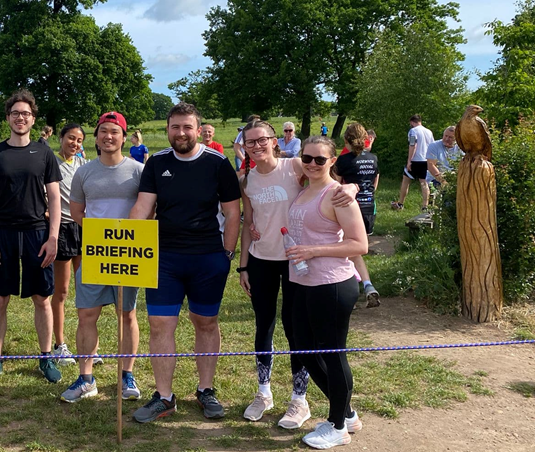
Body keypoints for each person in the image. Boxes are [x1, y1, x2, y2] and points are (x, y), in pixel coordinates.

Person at [237, 119, 358, 428]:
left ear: (274, 140)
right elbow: (247, 222)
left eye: (262, 139)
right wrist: (244, 265)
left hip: (296, 263)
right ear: (244, 147)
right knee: (264, 324)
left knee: (296, 332)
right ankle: (263, 392)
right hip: (262, 259)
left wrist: (352, 187)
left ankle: (299, 399)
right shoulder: (246, 179)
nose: (257, 146)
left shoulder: (295, 166)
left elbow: (331, 178)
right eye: (250, 142)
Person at [129, 102, 241, 423]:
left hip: (208, 258)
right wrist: (125, 246)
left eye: (187, 127)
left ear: (198, 129)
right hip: (164, 259)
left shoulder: (218, 164)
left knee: (205, 322)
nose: (181, 133)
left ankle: (206, 390)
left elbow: (232, 213)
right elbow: (142, 208)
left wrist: (227, 254)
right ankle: (164, 397)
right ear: (167, 130)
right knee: (160, 324)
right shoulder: (157, 163)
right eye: (175, 127)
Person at [0, 89, 63, 387]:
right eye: (15, 113)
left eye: (25, 113)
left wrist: (53, 237)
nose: (20, 118)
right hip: (3, 232)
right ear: (8, 118)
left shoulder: (44, 153)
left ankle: (46, 357)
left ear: (33, 118)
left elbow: (54, 198)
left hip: (38, 232)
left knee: (42, 298)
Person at [287, 135, 368, 450]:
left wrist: (312, 250)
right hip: (305, 282)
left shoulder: (337, 196)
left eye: (320, 159)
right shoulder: (305, 187)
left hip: (333, 284)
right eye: (307, 158)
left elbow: (359, 244)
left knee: (333, 353)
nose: (312, 164)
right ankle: (346, 413)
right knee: (305, 350)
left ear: (333, 161)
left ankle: (337, 427)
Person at [60, 112, 144, 403]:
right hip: (94, 254)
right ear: (96, 137)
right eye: (103, 132)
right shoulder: (84, 172)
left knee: (127, 314)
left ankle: (127, 375)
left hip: (130, 256)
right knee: (86, 315)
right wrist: (103, 236)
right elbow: (77, 212)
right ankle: (85, 378)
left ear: (124, 136)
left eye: (115, 132)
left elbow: (148, 211)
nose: (109, 137)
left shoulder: (138, 170)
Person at [50, 123, 87, 367]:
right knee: (61, 291)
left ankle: (87, 346)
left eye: (79, 140)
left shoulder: (85, 165)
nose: (74, 143)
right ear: (61, 137)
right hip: (62, 228)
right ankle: (59, 345)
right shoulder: (51, 163)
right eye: (70, 138)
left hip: (84, 228)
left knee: (86, 290)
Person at [335, 123, 381, 308]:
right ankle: (367, 286)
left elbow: (336, 186)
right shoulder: (373, 158)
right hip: (369, 206)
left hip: (350, 208)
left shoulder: (343, 160)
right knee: (354, 250)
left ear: (346, 140)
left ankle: (352, 290)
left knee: (346, 250)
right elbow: (375, 180)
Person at [391, 114, 436, 211]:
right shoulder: (429, 131)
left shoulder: (413, 131)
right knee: (424, 183)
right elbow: (433, 146)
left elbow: (413, 145)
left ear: (412, 122)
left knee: (405, 180)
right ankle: (425, 205)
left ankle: (401, 203)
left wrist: (409, 161)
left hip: (416, 160)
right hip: (426, 160)